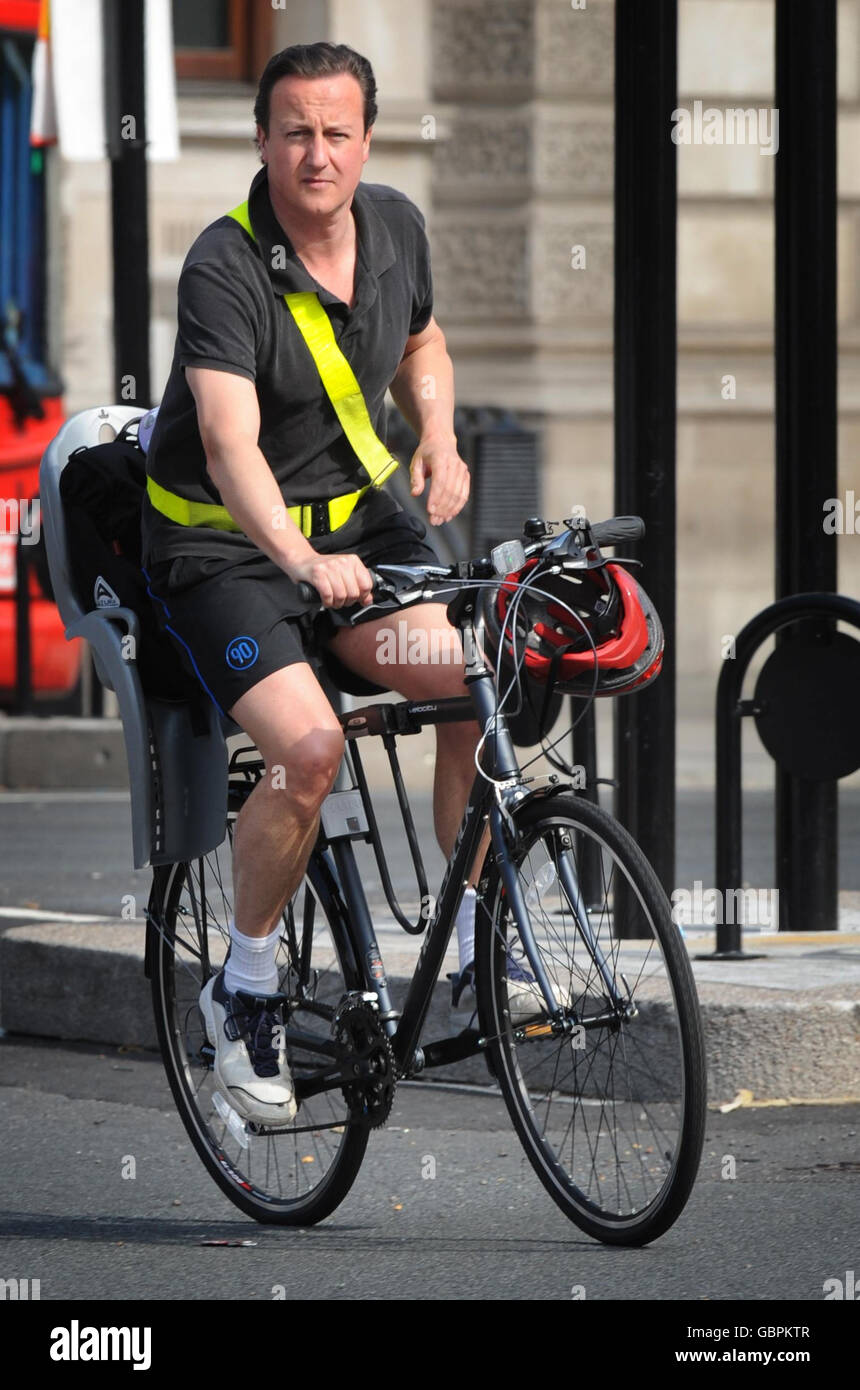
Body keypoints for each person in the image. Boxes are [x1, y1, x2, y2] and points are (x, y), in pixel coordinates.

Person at [141, 42, 488, 1127]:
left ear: (367, 140)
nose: (317, 153)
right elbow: (228, 441)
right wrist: (296, 561)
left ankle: (471, 923)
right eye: (295, 131)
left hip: (356, 535)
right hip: (225, 554)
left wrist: (433, 430)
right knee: (308, 749)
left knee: (467, 679)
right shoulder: (223, 265)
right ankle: (242, 988)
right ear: (261, 141)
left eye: (337, 132)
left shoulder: (393, 226)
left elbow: (420, 339)